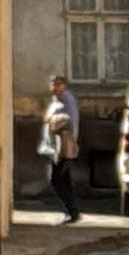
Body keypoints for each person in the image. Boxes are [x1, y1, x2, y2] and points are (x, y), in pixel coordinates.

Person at [38, 73, 82, 218]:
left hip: (63, 146)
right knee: (64, 180)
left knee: (56, 180)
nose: (55, 87)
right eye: (53, 84)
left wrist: (51, 119)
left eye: (58, 84)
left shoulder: (66, 99)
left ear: (64, 85)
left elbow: (67, 120)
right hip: (58, 145)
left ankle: (72, 210)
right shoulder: (58, 99)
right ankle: (72, 211)